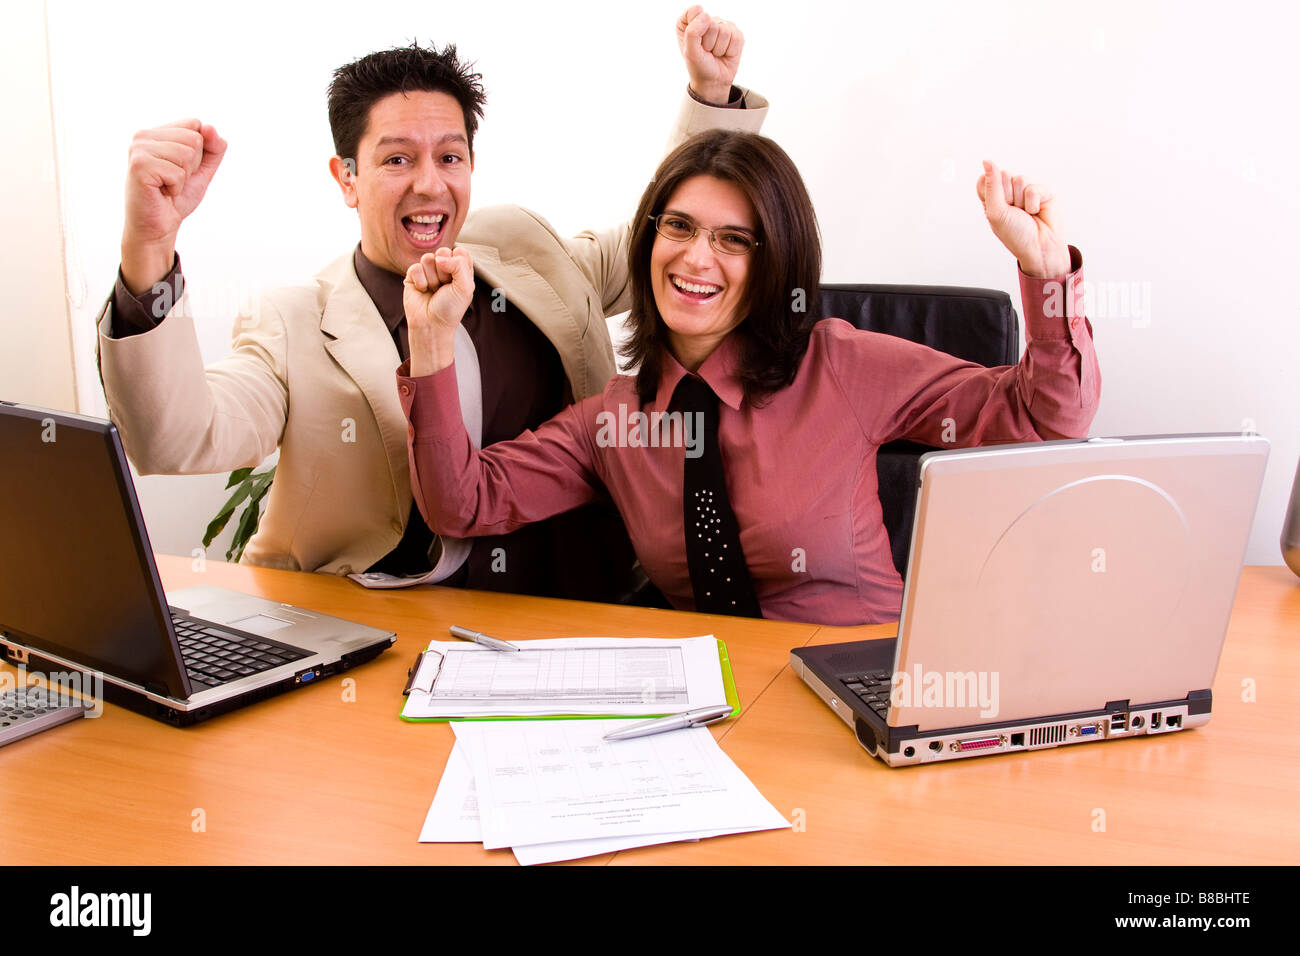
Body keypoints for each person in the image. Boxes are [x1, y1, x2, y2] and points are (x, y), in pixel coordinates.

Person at [95, 8, 766, 601]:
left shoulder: (524, 246)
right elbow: (174, 439)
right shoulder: (295, 322)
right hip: (400, 623)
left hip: (587, 606)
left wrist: (709, 97)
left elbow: (662, 243)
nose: (429, 184)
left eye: (450, 156)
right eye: (395, 160)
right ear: (347, 179)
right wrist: (148, 248)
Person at [396, 130, 1101, 625]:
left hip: (861, 686)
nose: (698, 258)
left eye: (734, 240)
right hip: (713, 710)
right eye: (679, 227)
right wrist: (431, 345)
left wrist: (1046, 273)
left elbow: (1045, 417)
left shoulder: (843, 366)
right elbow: (464, 505)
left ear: (774, 265)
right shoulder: (613, 421)